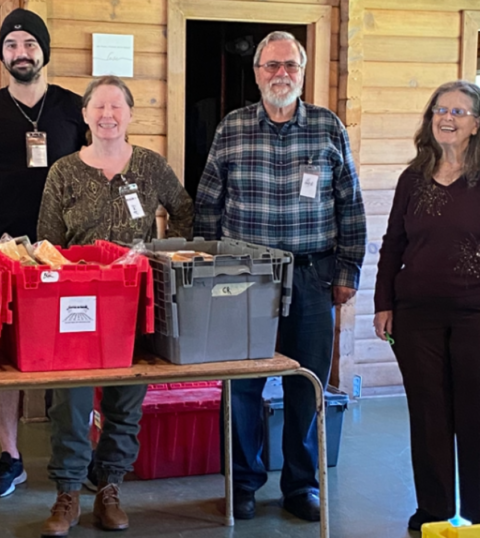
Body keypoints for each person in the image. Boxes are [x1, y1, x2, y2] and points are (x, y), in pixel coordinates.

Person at [195, 31, 366, 523]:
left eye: (290, 65)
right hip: (242, 279)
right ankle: (244, 484)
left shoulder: (329, 128)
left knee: (305, 384)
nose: (281, 74)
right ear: (256, 74)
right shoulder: (231, 129)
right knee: (243, 387)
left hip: (313, 276)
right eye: (271, 66)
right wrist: (206, 273)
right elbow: (209, 204)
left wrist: (348, 269)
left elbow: (350, 205)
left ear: (303, 71)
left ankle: (301, 485)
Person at [36, 75, 193, 537]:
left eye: (116, 107)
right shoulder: (64, 171)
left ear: (129, 115)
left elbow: (183, 209)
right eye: (98, 107)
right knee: (71, 401)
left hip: (136, 299)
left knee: (127, 399)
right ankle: (67, 494)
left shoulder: (149, 166)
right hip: (76, 305)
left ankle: (109, 488)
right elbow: (46, 242)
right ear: (84, 115)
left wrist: (162, 254)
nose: (107, 115)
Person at [372, 80, 480, 529]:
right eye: (441, 109)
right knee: (428, 413)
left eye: (460, 112)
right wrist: (384, 303)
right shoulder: (411, 179)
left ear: (478, 124)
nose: (448, 117)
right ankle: (434, 509)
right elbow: (393, 244)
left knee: (478, 415)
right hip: (416, 315)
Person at [0, 8, 87, 499]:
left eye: (30, 44)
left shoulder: (74, 108)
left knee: (69, 352)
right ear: (3, 54)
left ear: (44, 51)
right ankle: (10, 455)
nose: (21, 53)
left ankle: (71, 459)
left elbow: (97, 175)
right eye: (12, 45)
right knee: (2, 356)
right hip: (0, 250)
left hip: (63, 253)